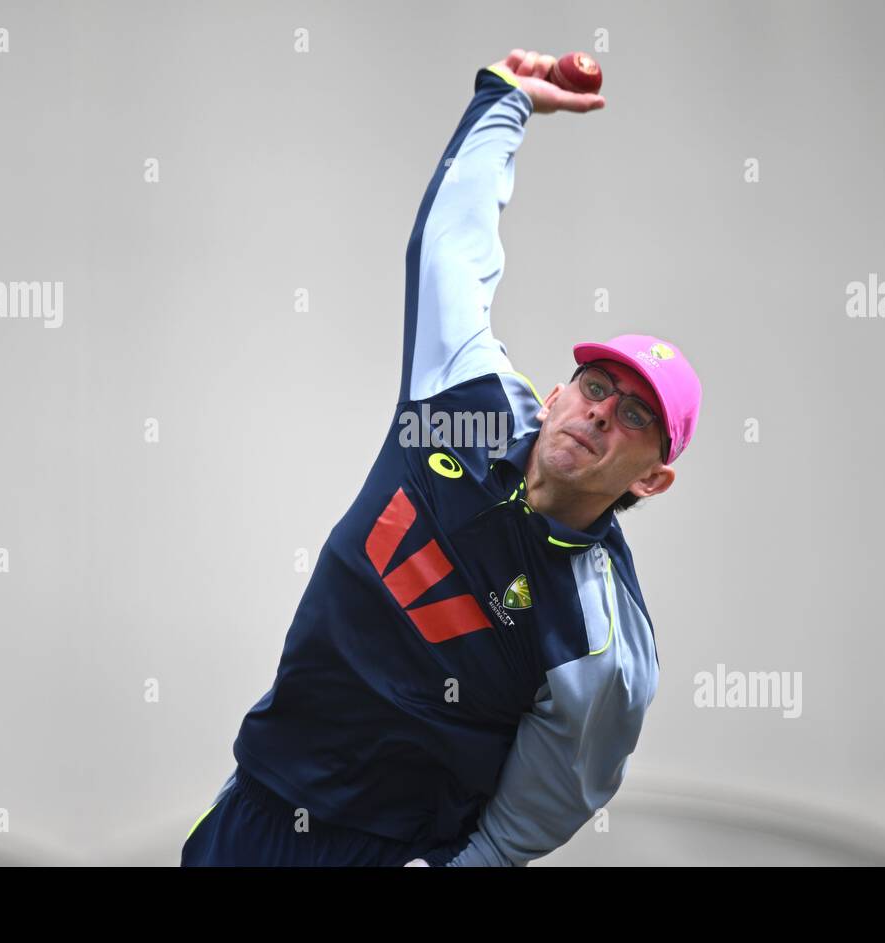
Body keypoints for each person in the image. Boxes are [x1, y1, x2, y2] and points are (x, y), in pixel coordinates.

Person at [181, 48, 702, 867]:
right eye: (595, 385)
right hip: (254, 808)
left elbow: (542, 808)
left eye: (634, 415)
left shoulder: (600, 643)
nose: (602, 411)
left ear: (651, 476)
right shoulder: (465, 407)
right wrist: (504, 103)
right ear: (559, 391)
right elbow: (451, 246)